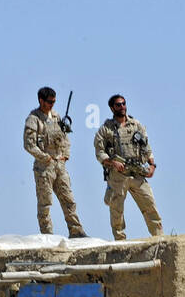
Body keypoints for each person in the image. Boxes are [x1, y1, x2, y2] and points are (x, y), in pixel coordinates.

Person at [93, 94, 163, 240]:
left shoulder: (136, 125)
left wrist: (152, 165)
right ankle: (120, 240)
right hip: (118, 175)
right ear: (112, 108)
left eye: (124, 104)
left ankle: (159, 237)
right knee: (117, 209)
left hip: (137, 172)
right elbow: (99, 152)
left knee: (149, 204)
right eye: (118, 105)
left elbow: (147, 147)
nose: (122, 107)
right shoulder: (106, 129)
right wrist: (113, 163)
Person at [23, 87, 85, 238]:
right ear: (41, 101)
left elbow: (64, 139)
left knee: (68, 199)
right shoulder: (34, 119)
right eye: (49, 102)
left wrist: (65, 155)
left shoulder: (56, 117)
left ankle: (76, 231)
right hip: (44, 167)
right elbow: (29, 144)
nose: (52, 105)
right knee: (45, 203)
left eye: (54, 102)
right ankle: (47, 235)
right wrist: (45, 157)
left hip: (60, 165)